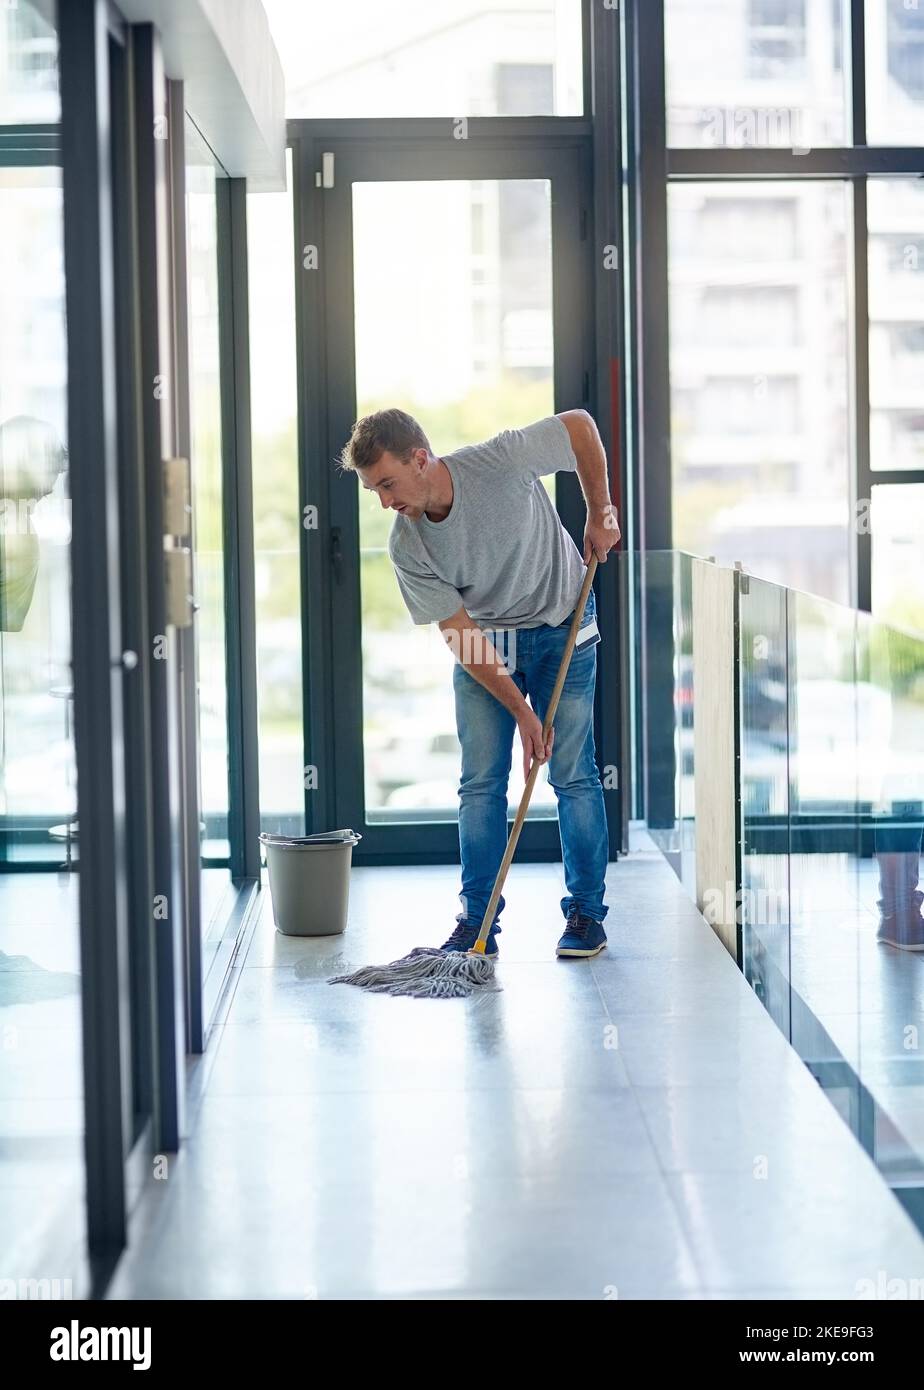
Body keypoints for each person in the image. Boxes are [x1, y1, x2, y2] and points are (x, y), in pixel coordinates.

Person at [338, 408, 620, 959]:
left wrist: (600, 511)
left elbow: (582, 427)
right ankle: (477, 921)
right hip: (488, 644)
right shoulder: (407, 545)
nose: (385, 502)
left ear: (420, 459)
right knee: (480, 783)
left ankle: (587, 914)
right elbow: (461, 636)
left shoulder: (501, 460)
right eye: (374, 491)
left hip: (564, 622)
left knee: (572, 774)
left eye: (388, 484)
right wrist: (523, 714)